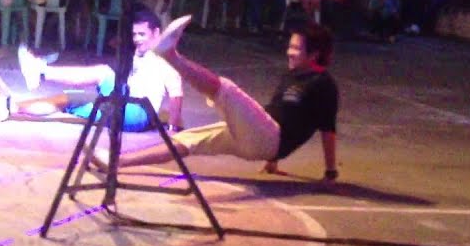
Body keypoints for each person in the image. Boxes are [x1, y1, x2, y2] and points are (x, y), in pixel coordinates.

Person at [97, 16, 339, 183]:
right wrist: (272, 162)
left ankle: (171, 55)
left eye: (296, 48)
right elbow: (283, 113)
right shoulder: (293, 75)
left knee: (227, 90)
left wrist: (330, 172)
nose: (289, 52)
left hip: (270, 138)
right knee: (188, 140)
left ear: (314, 54)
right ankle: (118, 162)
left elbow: (327, 130)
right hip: (257, 138)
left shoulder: (323, 85)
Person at [0, 8, 183, 132]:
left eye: (142, 34)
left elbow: (177, 94)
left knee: (103, 72)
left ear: (157, 33)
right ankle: (9, 108)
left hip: (137, 112)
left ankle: (41, 70)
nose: (137, 39)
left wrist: (173, 128)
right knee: (66, 99)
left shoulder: (167, 58)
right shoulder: (140, 53)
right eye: (134, 34)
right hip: (124, 104)